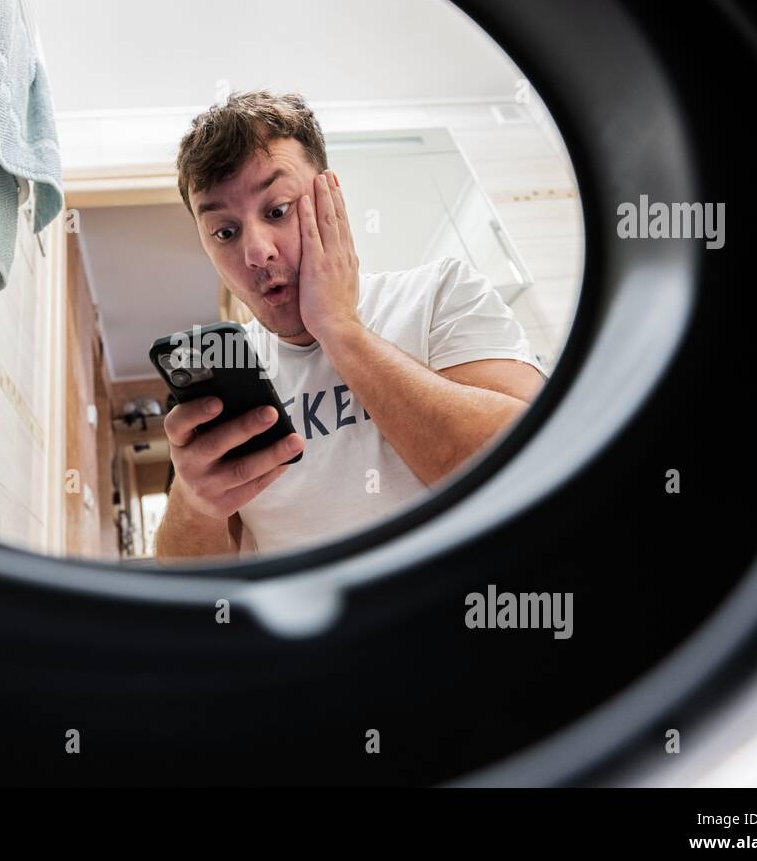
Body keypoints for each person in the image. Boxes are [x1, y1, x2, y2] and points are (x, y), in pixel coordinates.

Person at [155, 91, 546, 562]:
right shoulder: (229, 368)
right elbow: (191, 578)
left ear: (329, 196)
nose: (256, 252)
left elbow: (530, 466)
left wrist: (339, 328)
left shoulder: (440, 292)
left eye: (277, 210)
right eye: (225, 231)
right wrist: (195, 504)